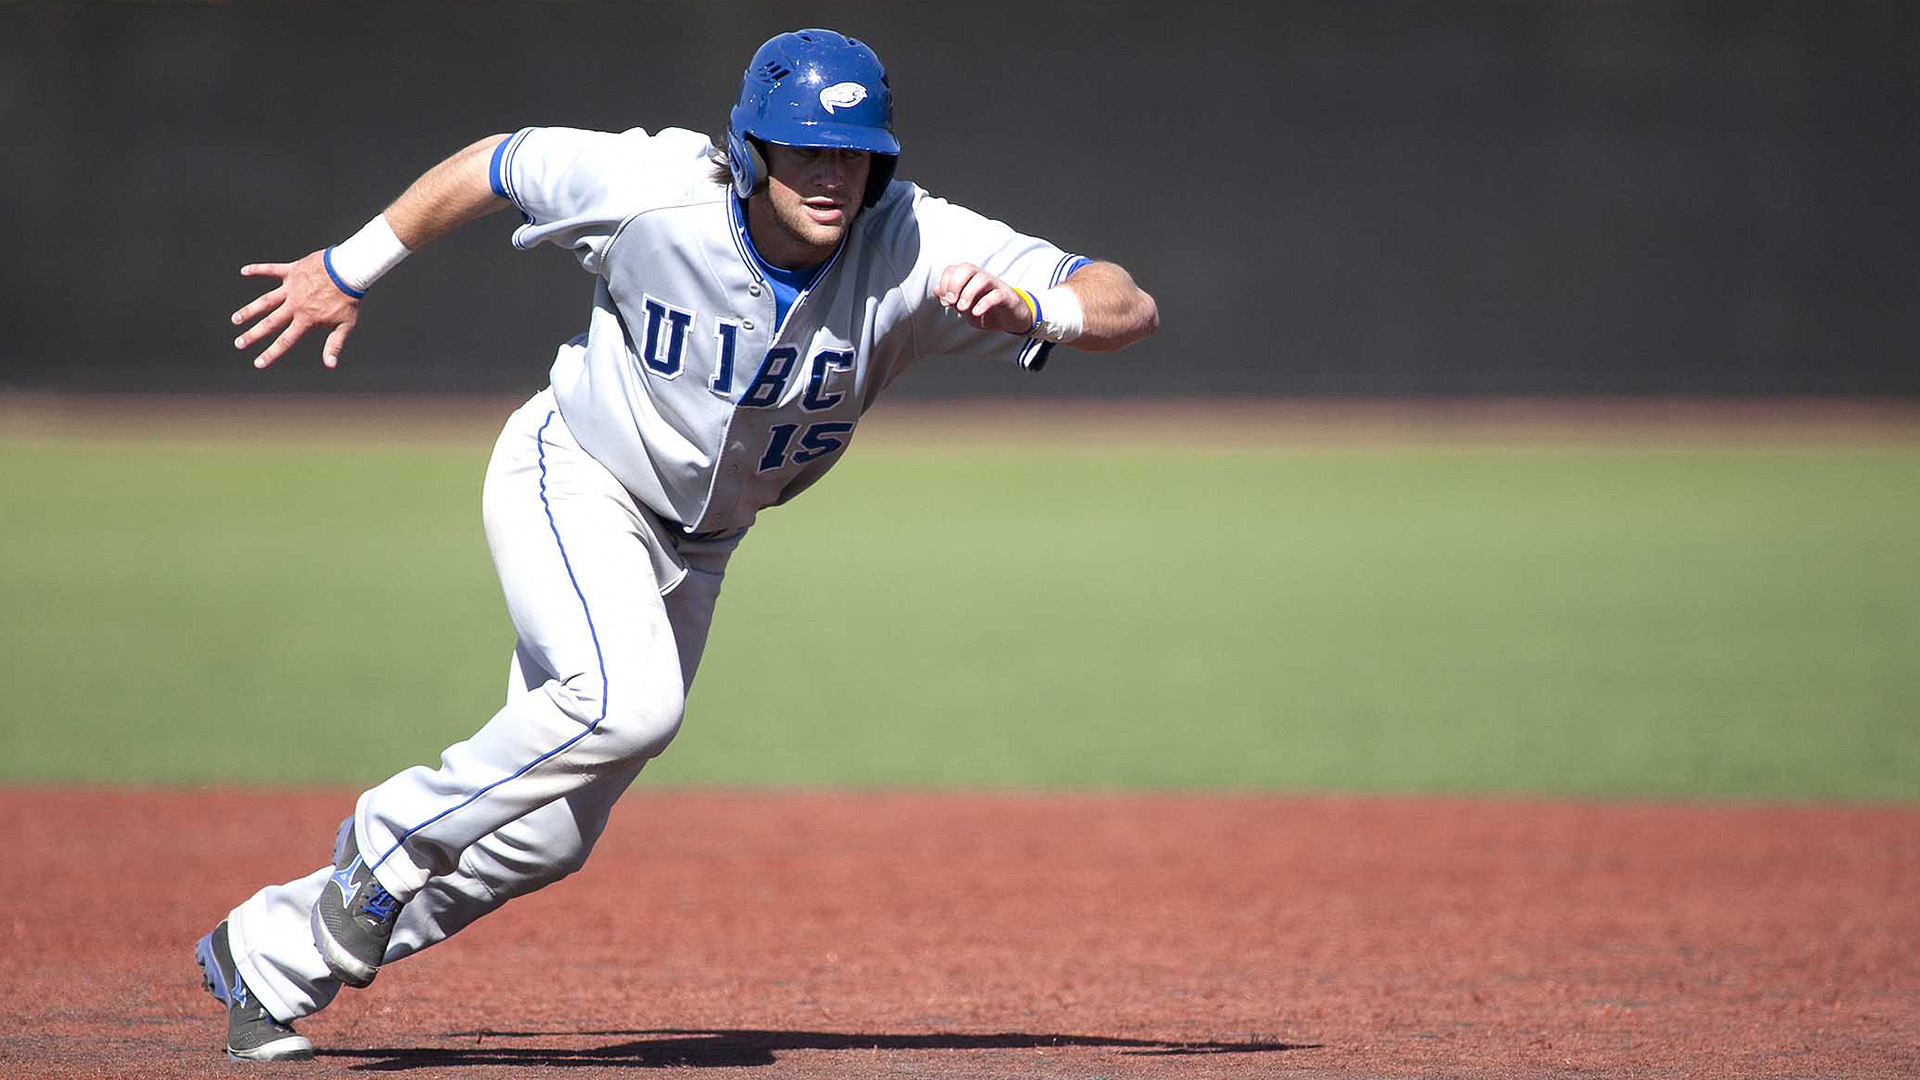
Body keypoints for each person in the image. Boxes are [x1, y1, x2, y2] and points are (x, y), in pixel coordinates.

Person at [196, 27, 1158, 1062]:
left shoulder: (911, 242)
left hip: (702, 543)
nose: (833, 175)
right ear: (750, 151)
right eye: (805, 152)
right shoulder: (653, 187)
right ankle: (383, 849)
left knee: (546, 837)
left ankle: (268, 957)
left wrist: (1041, 308)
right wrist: (350, 266)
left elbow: (1128, 302)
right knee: (624, 706)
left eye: (854, 153)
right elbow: (496, 162)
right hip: (575, 479)